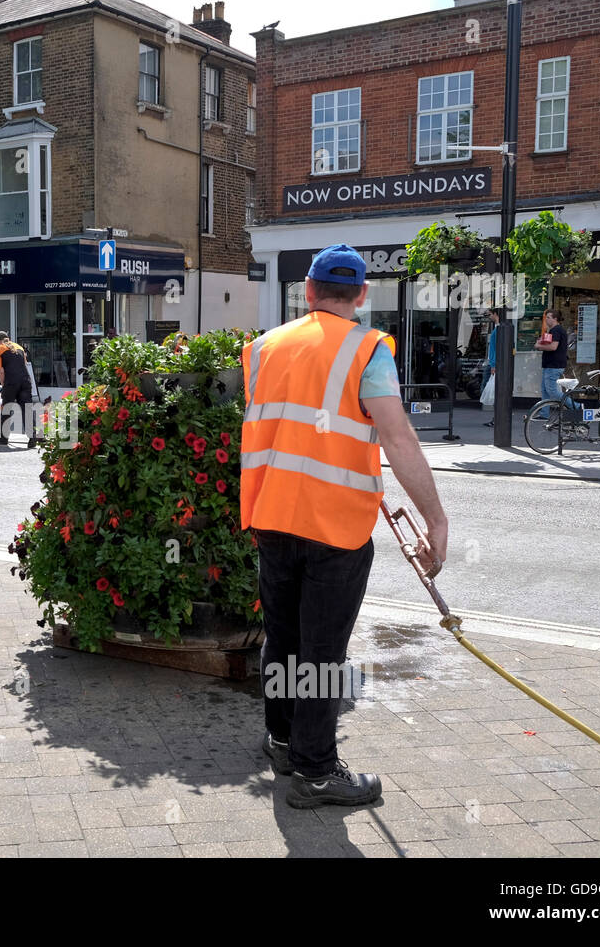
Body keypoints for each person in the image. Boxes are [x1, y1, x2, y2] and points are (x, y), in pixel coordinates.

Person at [242, 244, 448, 810]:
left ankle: (283, 742)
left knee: (282, 639)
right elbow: (399, 438)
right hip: (334, 528)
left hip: (272, 516)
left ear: (307, 291)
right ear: (361, 295)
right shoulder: (368, 351)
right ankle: (315, 772)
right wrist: (435, 518)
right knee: (324, 653)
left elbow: (289, 430)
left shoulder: (263, 349)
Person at [0, 331, 36, 448]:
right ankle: (32, 437)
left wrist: (3, 385)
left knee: (7, 408)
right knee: (27, 409)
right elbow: (24, 364)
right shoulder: (19, 347)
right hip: (25, 381)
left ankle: (3, 438)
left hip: (11, 382)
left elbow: (1, 371)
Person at [534, 310, 574, 414]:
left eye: (548, 317)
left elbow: (553, 347)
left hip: (554, 365)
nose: (546, 319)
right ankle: (544, 413)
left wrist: (538, 346)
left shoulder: (556, 330)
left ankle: (576, 406)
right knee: (545, 390)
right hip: (550, 365)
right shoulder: (554, 330)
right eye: (546, 317)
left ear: (555, 319)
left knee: (553, 391)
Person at [481, 308, 500, 427]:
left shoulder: (499, 329)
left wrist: (493, 365)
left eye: (490, 314)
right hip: (493, 362)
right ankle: (497, 417)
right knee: (492, 391)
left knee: (492, 391)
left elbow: (496, 349)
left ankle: (497, 417)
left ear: (496, 314)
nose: (488, 316)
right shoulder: (498, 328)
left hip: (493, 363)